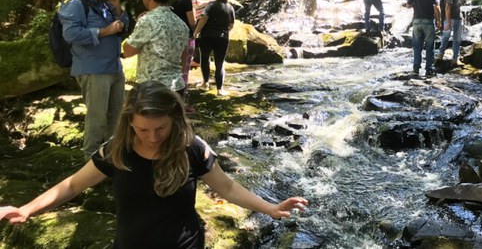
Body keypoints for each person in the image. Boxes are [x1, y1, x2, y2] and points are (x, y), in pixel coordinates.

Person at [0, 81, 308, 249]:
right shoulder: (117, 150)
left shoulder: (193, 148)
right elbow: (72, 185)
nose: (152, 137)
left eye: (160, 128)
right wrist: (28, 209)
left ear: (174, 118)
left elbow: (226, 187)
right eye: (142, 129)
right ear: (129, 123)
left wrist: (268, 207)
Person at [59, 0, 130, 158]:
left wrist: (117, 5)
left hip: (114, 67)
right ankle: (91, 160)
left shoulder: (106, 3)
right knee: (97, 118)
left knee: (117, 116)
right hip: (93, 69)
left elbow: (125, 24)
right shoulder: (76, 5)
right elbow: (71, 34)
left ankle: (113, 156)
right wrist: (105, 31)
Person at [123, 0, 190, 107]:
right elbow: (184, 54)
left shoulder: (147, 20)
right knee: (172, 125)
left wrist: (137, 24)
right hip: (177, 85)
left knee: (152, 125)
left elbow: (128, 51)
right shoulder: (180, 23)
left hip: (152, 87)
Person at [193, 0, 235, 96]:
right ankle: (220, 90)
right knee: (220, 63)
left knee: (205, 59)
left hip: (207, 36)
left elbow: (204, 18)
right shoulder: (230, 7)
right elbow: (231, 25)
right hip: (222, 38)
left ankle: (205, 84)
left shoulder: (211, 5)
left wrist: (196, 32)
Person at [406, 0, 441, 77]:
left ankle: (416, 69)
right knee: (430, 47)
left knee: (417, 46)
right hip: (428, 21)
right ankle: (429, 70)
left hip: (416, 21)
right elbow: (437, 6)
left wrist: (415, 4)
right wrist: (439, 20)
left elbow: (408, 5)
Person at [171, 0, 198, 97]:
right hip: (186, 37)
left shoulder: (168, 1)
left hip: (171, 38)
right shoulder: (186, 1)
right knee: (184, 71)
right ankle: (182, 100)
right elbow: (192, 22)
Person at [436, 0, 464, 66]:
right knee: (452, 38)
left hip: (456, 18)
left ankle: (452, 59)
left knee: (451, 38)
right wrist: (448, 22)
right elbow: (447, 8)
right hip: (452, 19)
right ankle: (443, 56)